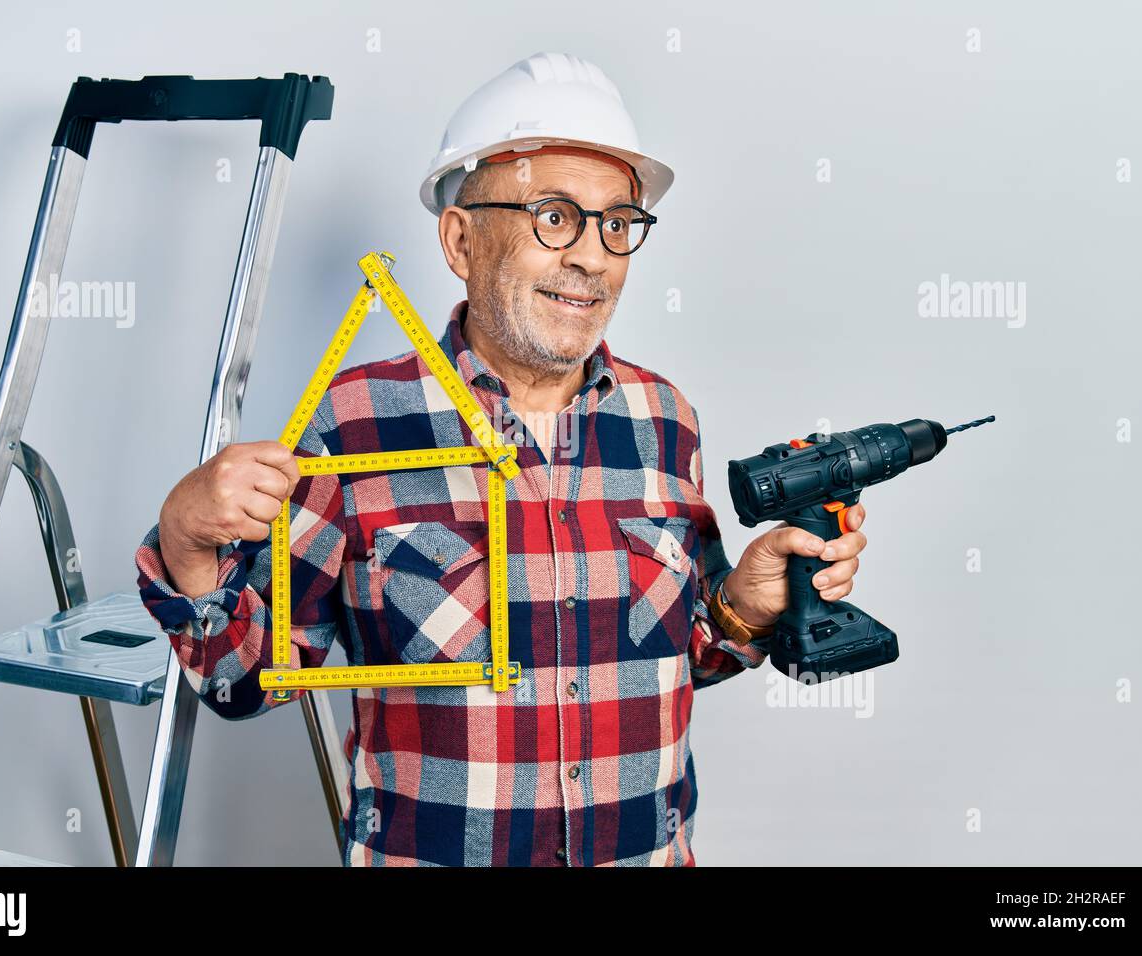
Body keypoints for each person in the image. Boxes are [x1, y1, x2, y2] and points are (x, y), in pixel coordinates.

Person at [135, 52, 867, 866]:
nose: (593, 257)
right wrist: (186, 541)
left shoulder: (666, 420)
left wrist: (747, 602)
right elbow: (245, 680)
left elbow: (688, 655)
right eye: (555, 217)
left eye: (618, 224)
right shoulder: (355, 424)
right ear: (461, 240)